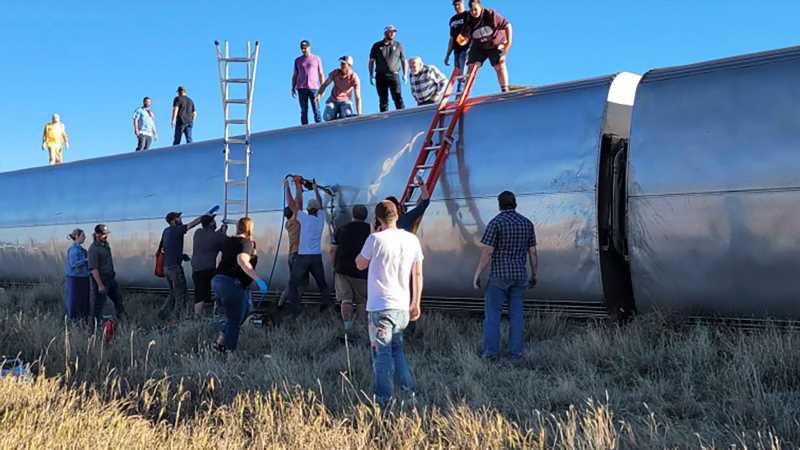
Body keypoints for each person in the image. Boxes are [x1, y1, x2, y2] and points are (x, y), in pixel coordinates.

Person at [356, 200, 424, 407]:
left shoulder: (375, 239)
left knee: (382, 354)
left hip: (380, 307)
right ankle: (408, 392)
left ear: (377, 219)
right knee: (397, 350)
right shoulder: (412, 239)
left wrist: (371, 233)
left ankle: (383, 401)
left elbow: (359, 264)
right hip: (402, 306)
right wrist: (416, 303)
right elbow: (418, 273)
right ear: (397, 215)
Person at [472, 191, 537, 361]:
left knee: (492, 316)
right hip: (519, 276)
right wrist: (534, 274)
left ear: (499, 205)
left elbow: (487, 252)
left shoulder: (496, 223)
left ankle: (491, 353)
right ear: (515, 203)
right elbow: (533, 252)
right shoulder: (527, 223)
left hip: (499, 276)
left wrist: (478, 273)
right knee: (517, 316)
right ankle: (516, 353)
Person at [212, 217, 268, 352]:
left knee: (238, 315)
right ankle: (230, 354)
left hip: (218, 281)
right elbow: (242, 261)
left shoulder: (228, 241)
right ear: (249, 228)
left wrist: (220, 275)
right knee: (235, 320)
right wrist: (259, 280)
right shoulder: (246, 242)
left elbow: (218, 258)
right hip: (231, 283)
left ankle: (219, 343)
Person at [284, 178, 333, 316]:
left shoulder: (303, 218)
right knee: (322, 283)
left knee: (293, 283)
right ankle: (326, 306)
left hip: (303, 257)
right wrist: (316, 189)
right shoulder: (321, 218)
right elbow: (321, 205)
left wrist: (287, 187)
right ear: (317, 209)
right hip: (316, 257)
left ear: (307, 209)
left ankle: (295, 311)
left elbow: (291, 204)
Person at [157, 210, 213, 321]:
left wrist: (181, 256)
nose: (181, 219)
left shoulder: (166, 231)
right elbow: (192, 224)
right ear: (173, 220)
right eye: (179, 218)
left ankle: (162, 313)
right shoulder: (177, 230)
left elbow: (165, 248)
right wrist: (205, 215)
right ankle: (177, 319)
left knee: (172, 293)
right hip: (174, 268)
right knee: (181, 295)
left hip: (167, 267)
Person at [330, 204, 370, 337]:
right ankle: (361, 327)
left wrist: (333, 265)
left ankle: (347, 327)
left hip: (343, 270)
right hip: (362, 271)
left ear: (353, 215)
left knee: (345, 299)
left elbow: (333, 250)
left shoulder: (342, 229)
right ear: (366, 216)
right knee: (361, 301)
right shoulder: (370, 230)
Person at [458, 0, 513, 92]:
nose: (474, 12)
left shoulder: (490, 14)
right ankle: (465, 92)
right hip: (479, 46)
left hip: (495, 43)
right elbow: (465, 36)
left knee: (499, 65)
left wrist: (508, 43)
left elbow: (507, 25)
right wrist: (462, 41)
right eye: (471, 10)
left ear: (480, 7)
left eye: (476, 10)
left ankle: (504, 88)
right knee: (472, 67)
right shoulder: (468, 19)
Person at [88, 224, 127, 323]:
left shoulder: (105, 245)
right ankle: (94, 327)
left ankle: (123, 319)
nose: (106, 236)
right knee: (98, 305)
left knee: (118, 299)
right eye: (104, 234)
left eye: (106, 234)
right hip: (101, 280)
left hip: (110, 279)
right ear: (97, 235)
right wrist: (100, 285)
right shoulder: (93, 249)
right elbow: (94, 269)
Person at [278, 177, 307, 305]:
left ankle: (281, 304)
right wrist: (293, 185)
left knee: (294, 282)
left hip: (292, 255)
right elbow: (296, 203)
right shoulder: (296, 221)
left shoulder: (289, 223)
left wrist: (297, 187)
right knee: (299, 284)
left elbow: (296, 204)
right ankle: (293, 305)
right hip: (298, 256)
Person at [191, 215, 227, 316]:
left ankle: (198, 316)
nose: (215, 223)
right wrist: (223, 231)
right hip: (208, 268)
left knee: (200, 292)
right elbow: (224, 242)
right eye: (214, 221)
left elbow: (211, 238)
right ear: (211, 223)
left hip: (196, 268)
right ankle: (215, 313)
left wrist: (221, 231)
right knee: (217, 289)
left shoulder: (197, 233)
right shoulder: (217, 236)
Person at [369, 25, 407, 112]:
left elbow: (403, 60)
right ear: (386, 33)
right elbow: (371, 61)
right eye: (391, 32)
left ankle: (402, 116)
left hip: (394, 75)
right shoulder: (377, 46)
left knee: (398, 98)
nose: (393, 34)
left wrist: (405, 74)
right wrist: (371, 75)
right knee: (383, 100)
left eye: (394, 32)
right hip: (380, 76)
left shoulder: (398, 45)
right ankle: (384, 119)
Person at [316, 56, 362, 121]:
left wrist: (359, 113)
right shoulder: (335, 73)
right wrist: (319, 94)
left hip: (345, 101)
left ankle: (343, 115)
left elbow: (358, 97)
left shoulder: (354, 77)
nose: (341, 65)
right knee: (327, 117)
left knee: (347, 116)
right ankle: (336, 116)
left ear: (349, 65)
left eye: (343, 64)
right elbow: (325, 84)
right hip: (333, 100)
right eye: (341, 63)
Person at [292, 40, 325, 125]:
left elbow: (321, 73)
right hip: (301, 87)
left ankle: (319, 126)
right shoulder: (298, 60)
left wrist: (323, 87)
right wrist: (292, 87)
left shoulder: (316, 58)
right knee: (303, 110)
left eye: (305, 48)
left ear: (309, 47)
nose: (303, 50)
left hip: (314, 88)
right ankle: (304, 127)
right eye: (302, 48)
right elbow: (295, 74)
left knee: (316, 108)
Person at [65, 229, 90, 321]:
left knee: (82, 299)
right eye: (82, 236)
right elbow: (74, 264)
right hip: (75, 278)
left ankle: (82, 318)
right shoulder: (74, 250)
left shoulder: (82, 250)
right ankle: (73, 318)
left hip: (83, 277)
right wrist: (86, 260)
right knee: (74, 299)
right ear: (76, 237)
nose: (84, 238)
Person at [445, 0, 469, 90]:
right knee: (458, 72)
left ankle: (460, 92)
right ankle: (458, 92)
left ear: (463, 4)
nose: (457, 7)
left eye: (458, 4)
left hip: (466, 47)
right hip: (456, 49)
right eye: (455, 5)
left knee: (463, 72)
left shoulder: (468, 15)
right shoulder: (452, 20)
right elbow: (451, 38)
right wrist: (447, 55)